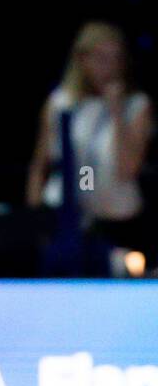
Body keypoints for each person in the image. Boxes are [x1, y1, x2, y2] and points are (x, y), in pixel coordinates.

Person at [26, 21, 154, 249]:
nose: (111, 67)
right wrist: (34, 219)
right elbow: (40, 164)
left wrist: (117, 114)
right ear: (82, 59)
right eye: (102, 59)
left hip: (115, 216)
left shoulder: (136, 105)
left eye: (117, 59)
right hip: (64, 211)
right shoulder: (61, 102)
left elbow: (128, 169)